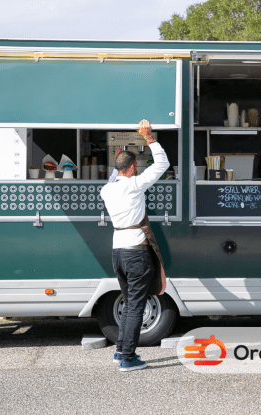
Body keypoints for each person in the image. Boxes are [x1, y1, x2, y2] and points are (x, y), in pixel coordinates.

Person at [99, 119, 170, 372]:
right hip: (136, 253)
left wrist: (119, 155)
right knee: (135, 307)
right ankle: (128, 358)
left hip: (117, 251)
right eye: (135, 167)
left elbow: (114, 174)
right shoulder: (134, 185)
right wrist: (149, 138)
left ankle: (120, 351)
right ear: (132, 169)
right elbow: (163, 164)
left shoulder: (107, 190)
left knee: (129, 304)